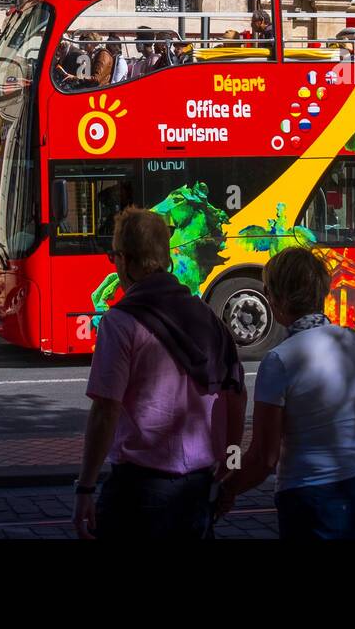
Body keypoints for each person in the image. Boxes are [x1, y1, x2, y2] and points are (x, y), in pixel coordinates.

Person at [74, 208, 246, 541]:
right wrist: (231, 469)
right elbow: (237, 395)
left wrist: (85, 487)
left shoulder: (120, 323)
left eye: (114, 257)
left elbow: (105, 411)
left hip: (137, 490)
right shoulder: (208, 318)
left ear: (124, 260)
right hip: (197, 486)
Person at [218, 247, 355, 539]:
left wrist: (226, 491)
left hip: (310, 497)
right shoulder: (354, 342)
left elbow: (264, 457)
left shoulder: (279, 360)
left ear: (278, 298)